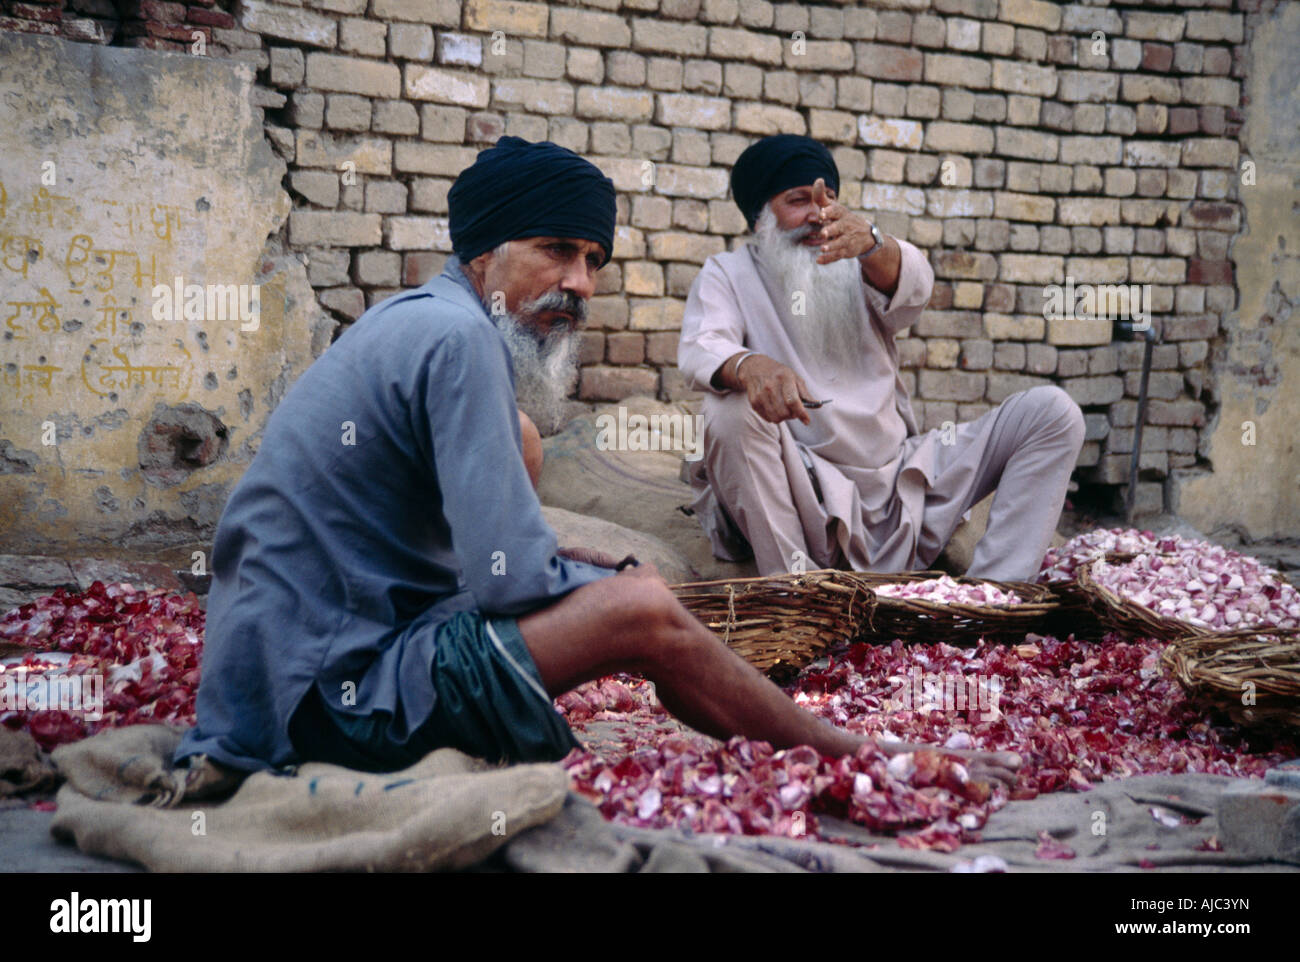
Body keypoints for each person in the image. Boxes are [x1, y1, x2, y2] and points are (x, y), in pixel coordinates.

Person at [175, 137, 1021, 788]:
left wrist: (576, 568)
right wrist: (609, 587)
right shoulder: (456, 338)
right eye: (554, 250)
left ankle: (773, 718)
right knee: (639, 608)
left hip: (305, 671)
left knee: (535, 456)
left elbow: (488, 551)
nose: (578, 282)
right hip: (321, 699)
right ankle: (859, 753)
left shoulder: (427, 320)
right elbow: (508, 580)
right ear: (483, 253)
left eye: (592, 261)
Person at [678, 134, 1086, 581]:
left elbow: (915, 287)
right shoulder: (728, 273)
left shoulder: (863, 261)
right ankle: (795, 594)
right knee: (728, 410)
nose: (818, 215)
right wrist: (750, 367)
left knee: (1053, 413)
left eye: (828, 199)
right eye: (798, 200)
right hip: (802, 489)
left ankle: (993, 597)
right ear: (760, 217)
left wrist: (874, 243)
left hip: (902, 482)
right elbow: (702, 346)